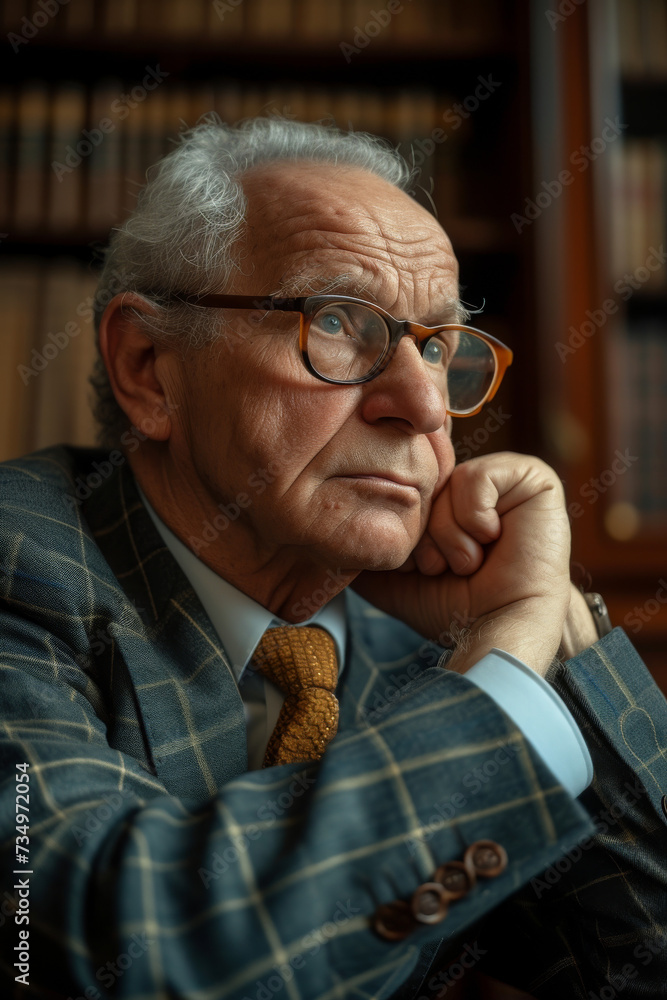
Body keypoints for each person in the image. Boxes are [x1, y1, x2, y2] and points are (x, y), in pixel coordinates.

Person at [0, 117, 665, 1000]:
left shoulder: (439, 636)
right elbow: (124, 950)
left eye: (436, 346)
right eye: (341, 323)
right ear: (149, 367)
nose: (425, 407)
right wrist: (505, 660)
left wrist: (558, 631)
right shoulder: (21, 561)